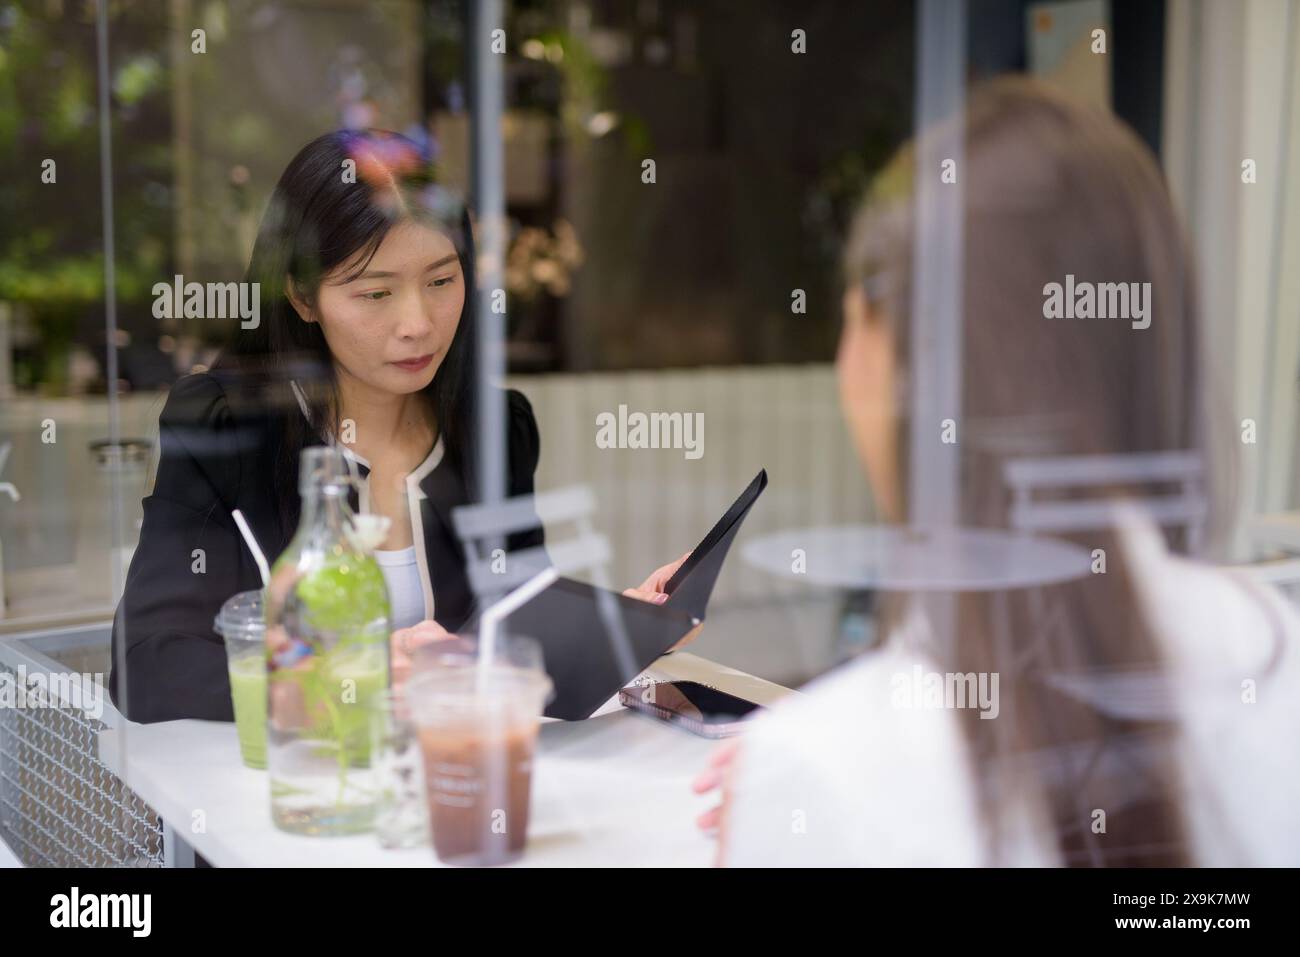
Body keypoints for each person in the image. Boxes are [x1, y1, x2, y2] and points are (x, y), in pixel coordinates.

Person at [696, 77, 1300, 866]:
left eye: (852, 322)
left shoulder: (822, 770)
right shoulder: (1280, 657)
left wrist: (800, 790)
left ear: (903, 364)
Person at [110, 129, 686, 724]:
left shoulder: (494, 428)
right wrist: (347, 676)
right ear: (303, 299)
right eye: (376, 293)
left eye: (441, 281)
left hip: (452, 780)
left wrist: (620, 628)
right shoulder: (223, 426)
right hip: (296, 789)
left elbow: (513, 629)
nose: (418, 324)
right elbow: (146, 663)